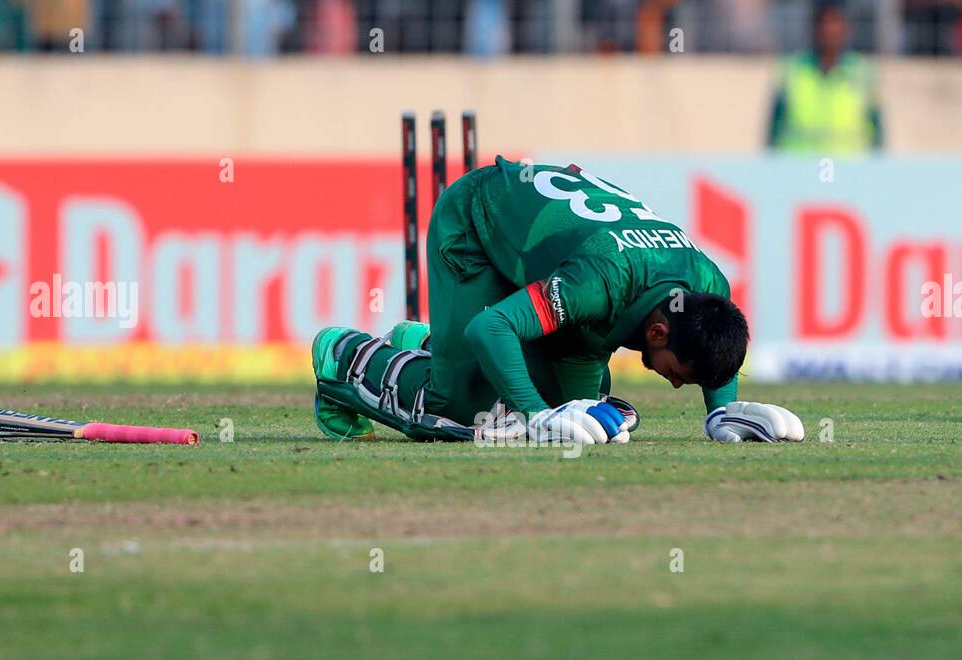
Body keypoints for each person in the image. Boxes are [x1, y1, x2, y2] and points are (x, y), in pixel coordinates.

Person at [312, 157, 803, 446]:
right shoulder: (601, 282)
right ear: (657, 332)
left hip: (566, 253)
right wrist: (533, 416)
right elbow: (491, 329)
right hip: (477, 223)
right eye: (679, 372)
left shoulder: (708, 284)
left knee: (585, 413)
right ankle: (342, 359)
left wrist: (722, 411)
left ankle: (425, 346)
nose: (676, 384)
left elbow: (709, 341)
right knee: (473, 414)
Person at [768, 3, 883, 154]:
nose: (829, 31)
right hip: (799, 170)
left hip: (849, 172)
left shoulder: (862, 73)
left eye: (835, 23)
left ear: (845, 29)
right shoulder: (792, 71)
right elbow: (774, 131)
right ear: (813, 29)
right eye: (824, 24)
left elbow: (877, 134)